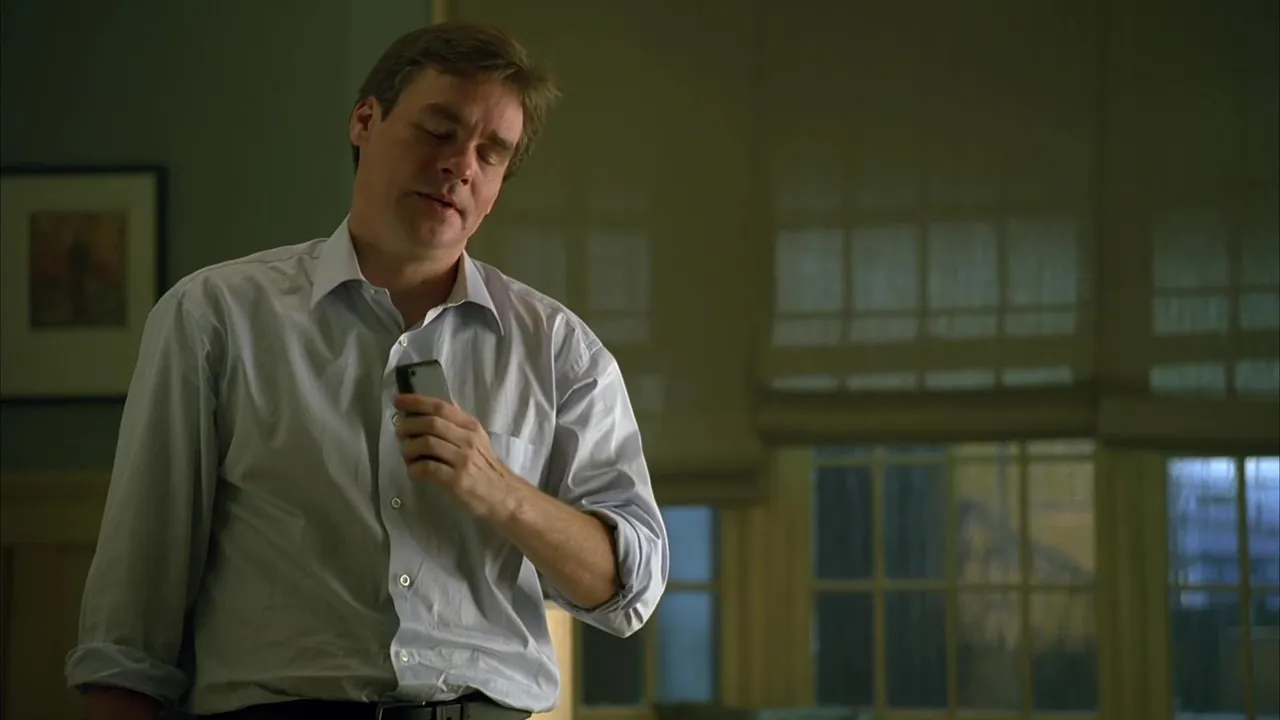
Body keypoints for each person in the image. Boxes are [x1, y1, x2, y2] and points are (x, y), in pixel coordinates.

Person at [66, 21, 669, 720]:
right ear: (364, 120)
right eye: (439, 131)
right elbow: (129, 625)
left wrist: (503, 492)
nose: (460, 166)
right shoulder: (214, 319)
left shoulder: (562, 352)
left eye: (490, 153)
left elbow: (629, 591)